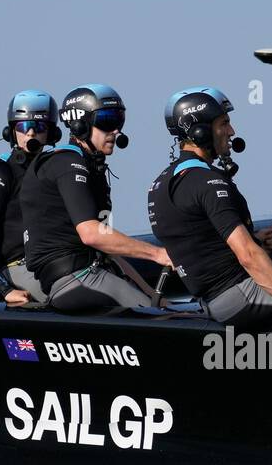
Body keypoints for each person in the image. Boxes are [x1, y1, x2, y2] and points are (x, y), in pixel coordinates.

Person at [147, 86, 272, 327]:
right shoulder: (208, 182)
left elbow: (199, 243)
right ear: (200, 131)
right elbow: (247, 255)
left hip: (214, 303)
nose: (231, 131)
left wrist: (255, 239)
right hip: (242, 296)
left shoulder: (159, 184)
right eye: (223, 123)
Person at [20, 84, 171, 311]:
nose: (116, 130)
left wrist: (151, 295)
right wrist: (158, 254)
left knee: (162, 311)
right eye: (107, 120)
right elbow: (92, 234)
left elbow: (107, 247)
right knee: (165, 321)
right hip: (75, 278)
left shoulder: (90, 167)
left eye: (119, 120)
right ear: (80, 124)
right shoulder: (68, 164)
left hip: (91, 273)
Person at [0, 91, 60, 306]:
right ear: (11, 132)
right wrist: (6, 289)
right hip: (21, 267)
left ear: (52, 133)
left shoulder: (56, 170)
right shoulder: (0, 174)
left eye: (38, 127)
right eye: (22, 126)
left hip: (56, 261)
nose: (30, 133)